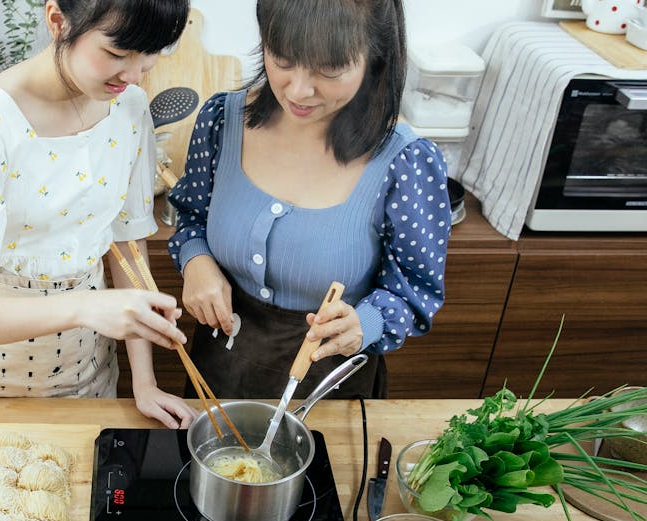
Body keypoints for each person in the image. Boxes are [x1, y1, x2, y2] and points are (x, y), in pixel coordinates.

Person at [0, 0, 198, 428]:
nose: (134, 74)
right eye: (118, 54)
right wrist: (87, 306)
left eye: (151, 54)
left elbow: (126, 246)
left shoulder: (130, 108)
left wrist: (145, 381)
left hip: (88, 367)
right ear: (58, 21)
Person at [166, 0, 450, 400]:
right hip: (217, 372)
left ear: (377, 55)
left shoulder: (406, 162)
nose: (298, 90)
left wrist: (365, 323)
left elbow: (414, 290)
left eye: (329, 69)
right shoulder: (221, 121)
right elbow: (191, 218)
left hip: (329, 390)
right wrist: (196, 261)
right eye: (282, 60)